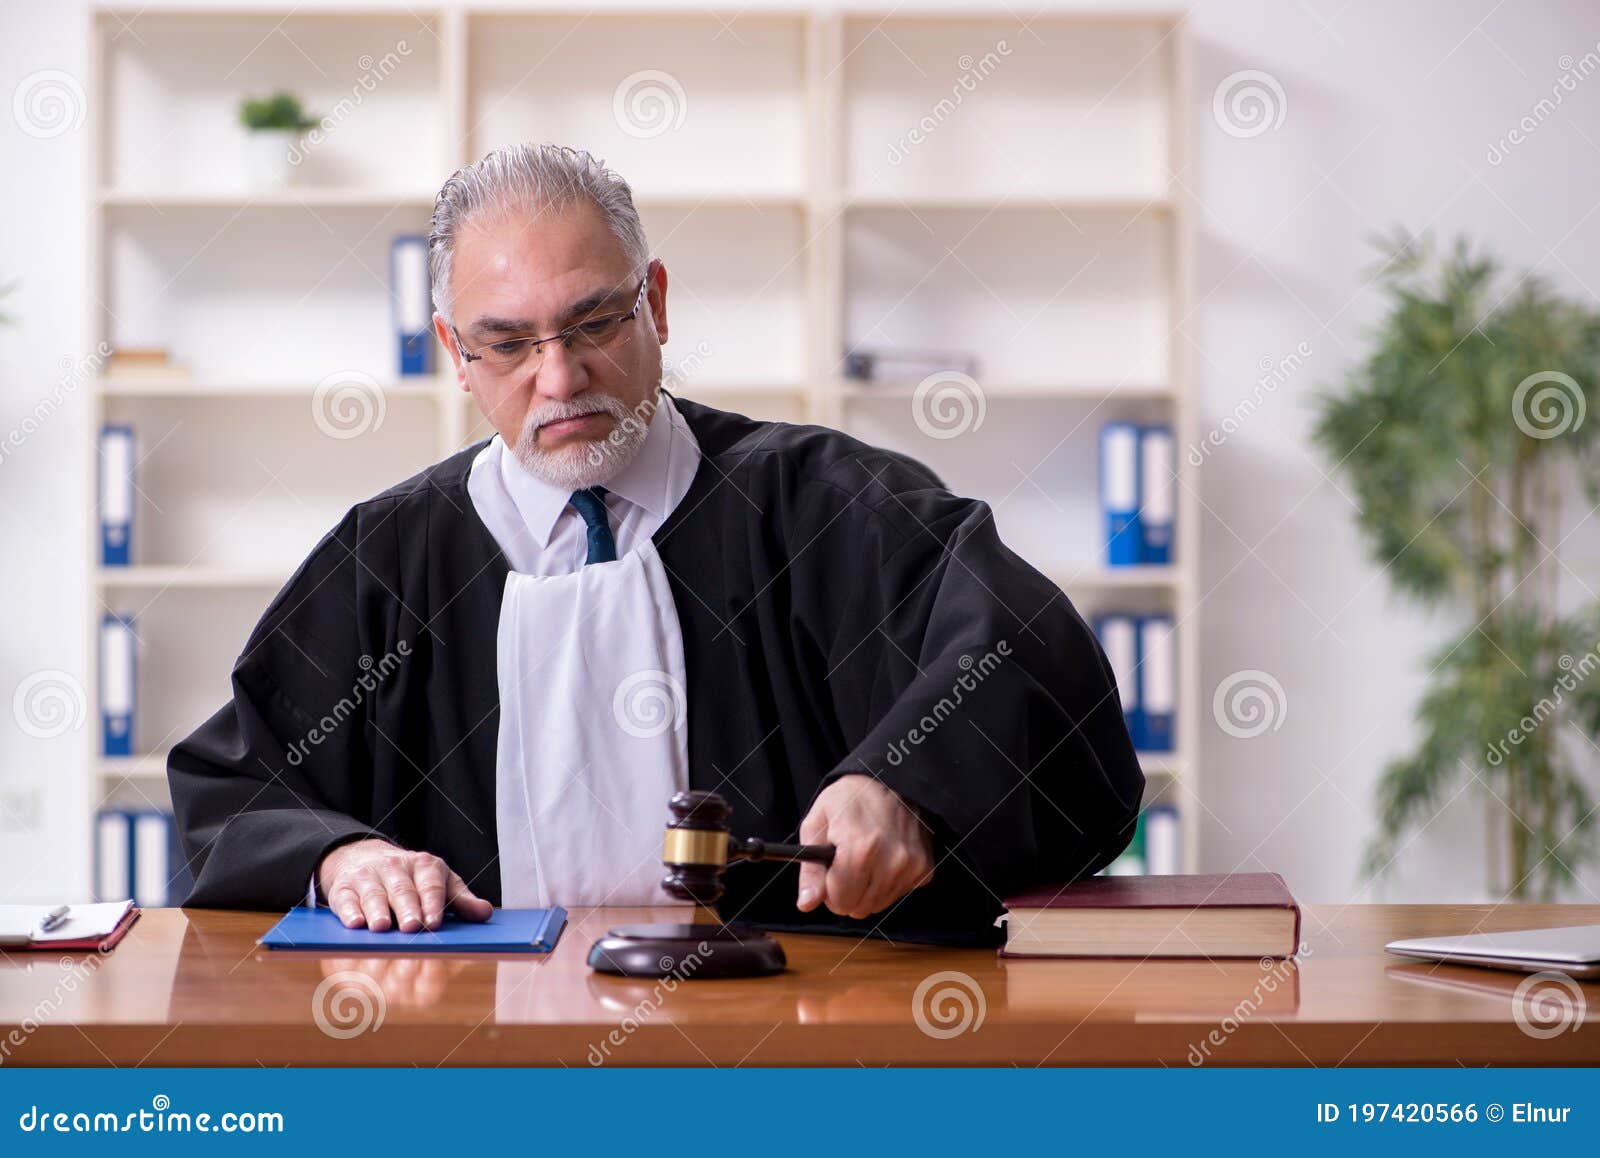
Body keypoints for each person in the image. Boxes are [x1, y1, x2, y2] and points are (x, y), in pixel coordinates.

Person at [169, 143, 1143, 946]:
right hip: (476, 1045)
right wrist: (342, 855)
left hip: (801, 1042)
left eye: (593, 320)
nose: (558, 378)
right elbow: (237, 781)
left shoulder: (820, 504)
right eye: (506, 343)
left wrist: (903, 783)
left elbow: (1021, 651)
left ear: (657, 304)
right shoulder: (389, 558)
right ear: (453, 354)